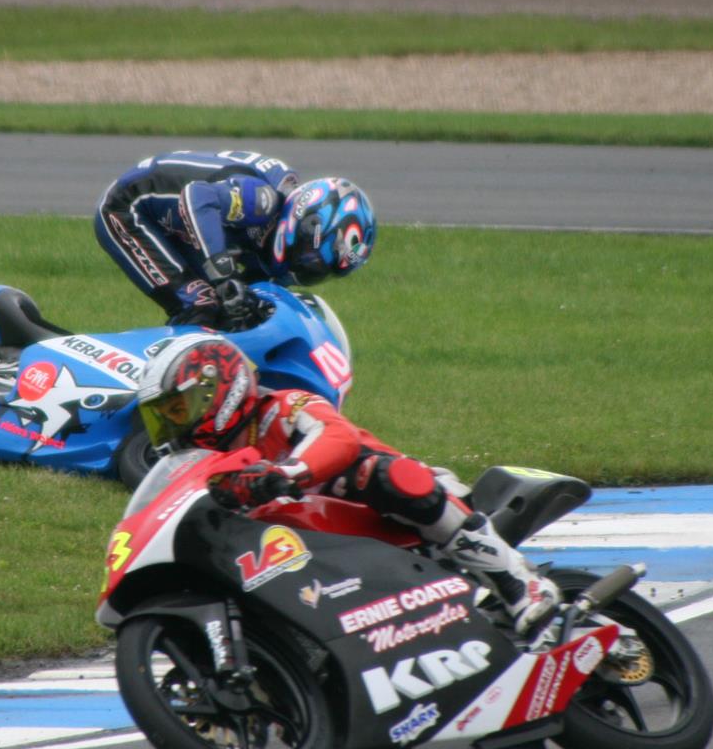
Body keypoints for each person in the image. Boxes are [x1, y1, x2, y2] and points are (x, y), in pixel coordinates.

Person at [134, 334, 562, 636]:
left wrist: (288, 473)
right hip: (326, 561)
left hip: (401, 514)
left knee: (374, 473)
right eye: (163, 416)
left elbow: (339, 439)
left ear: (216, 388)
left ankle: (518, 580)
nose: (173, 424)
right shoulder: (218, 464)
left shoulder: (283, 405)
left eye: (178, 408)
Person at [94, 149, 375, 328]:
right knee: (200, 304)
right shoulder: (263, 200)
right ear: (305, 226)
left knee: (236, 312)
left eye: (317, 273)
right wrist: (225, 275)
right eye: (311, 261)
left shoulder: (276, 228)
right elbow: (197, 197)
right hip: (129, 208)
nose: (303, 269)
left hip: (174, 226)